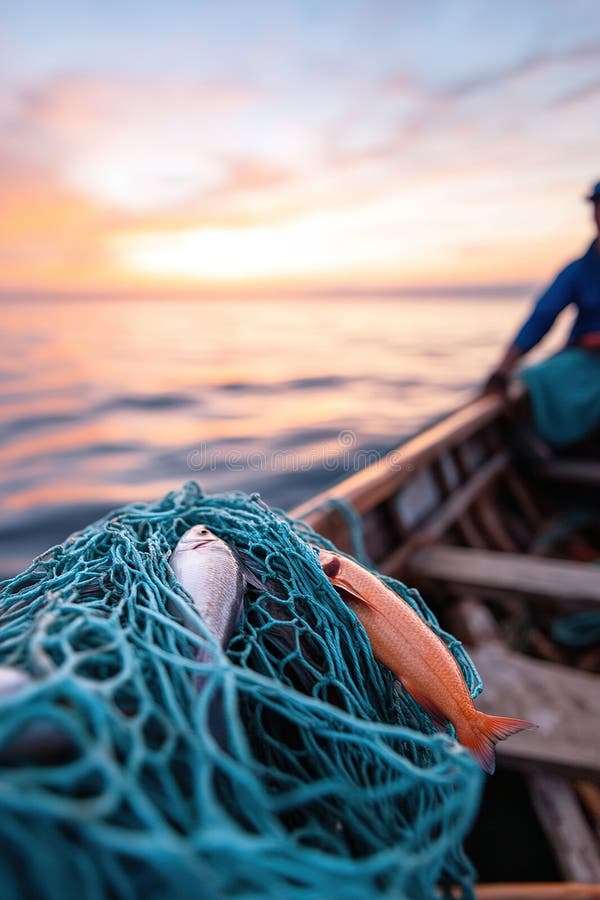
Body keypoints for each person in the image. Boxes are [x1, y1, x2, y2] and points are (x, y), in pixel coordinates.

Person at [483, 179, 600, 448]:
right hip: (584, 362)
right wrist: (503, 370)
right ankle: (543, 449)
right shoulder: (579, 271)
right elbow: (541, 318)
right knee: (535, 378)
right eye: (597, 206)